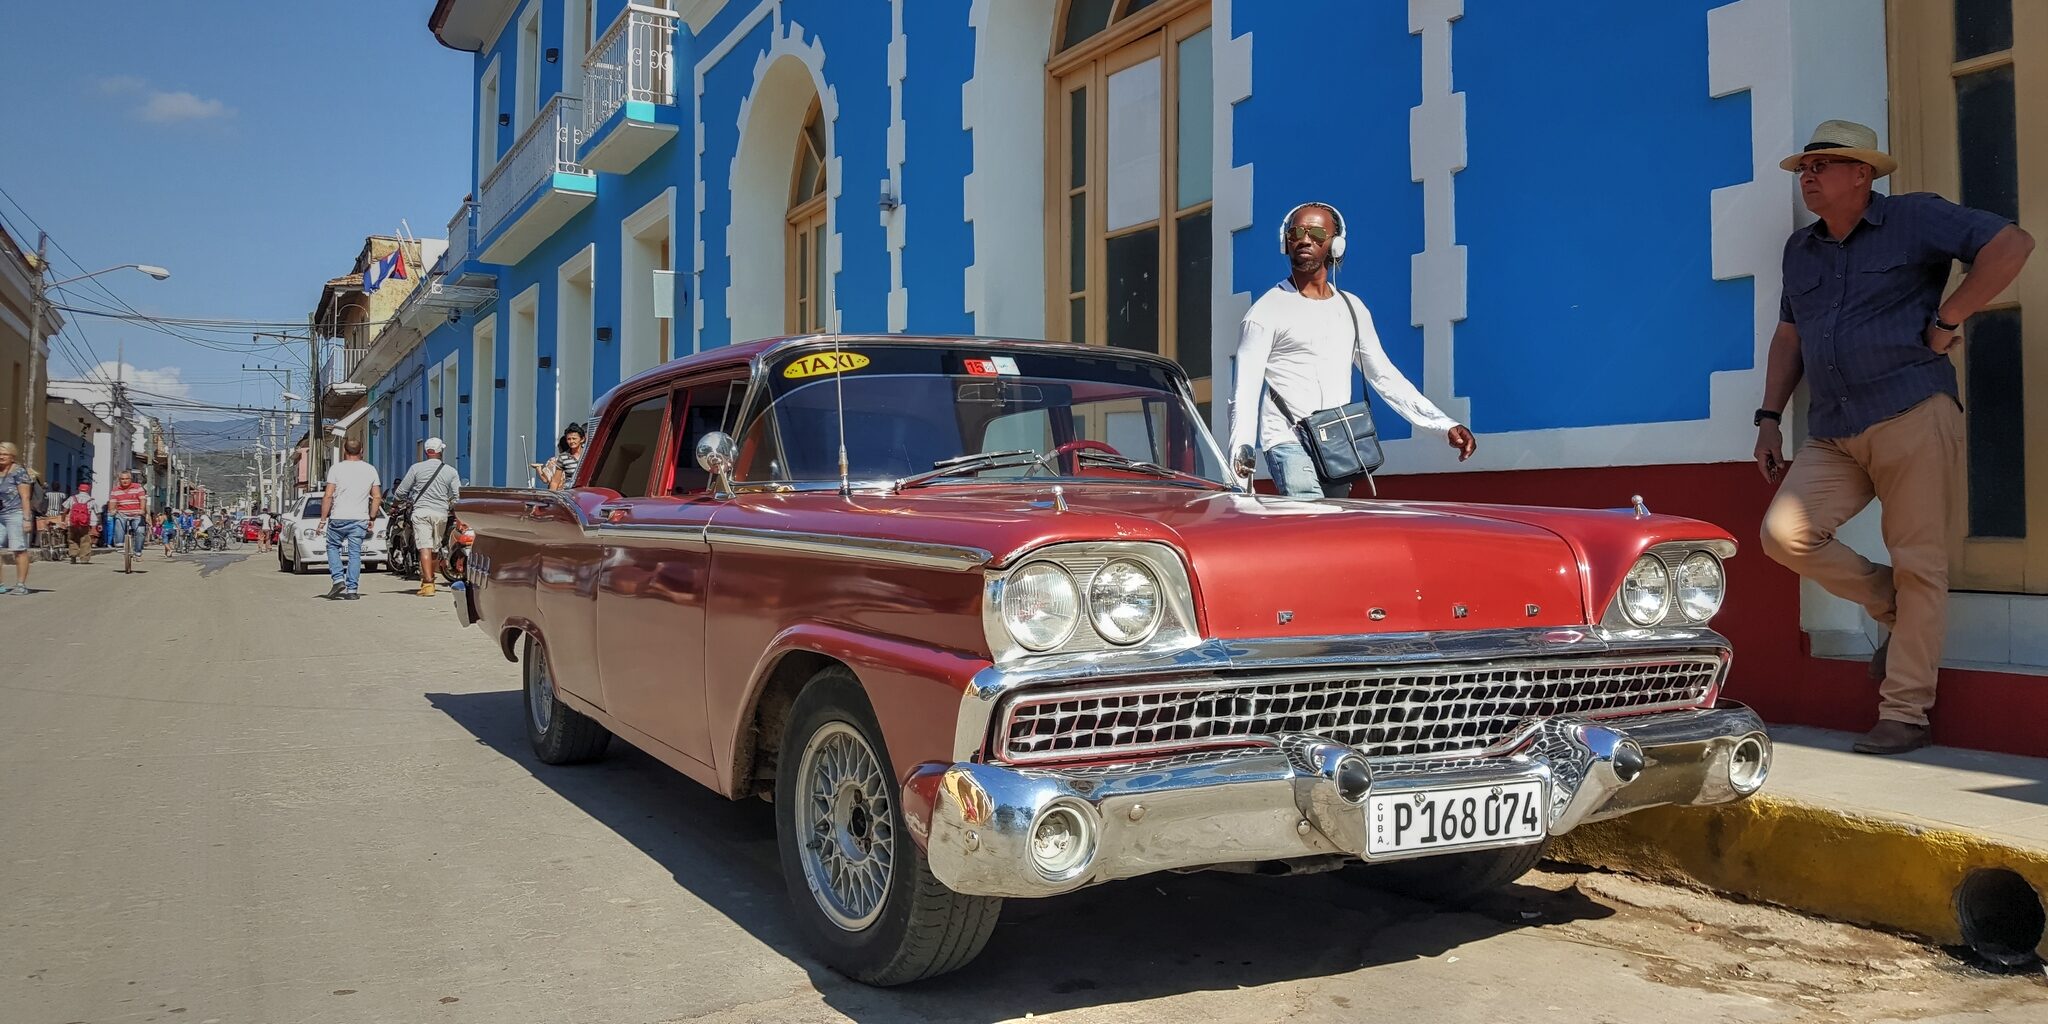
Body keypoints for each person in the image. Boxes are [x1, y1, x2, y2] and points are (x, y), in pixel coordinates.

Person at [1756, 120, 2035, 756]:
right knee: (1784, 536)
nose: (1808, 177)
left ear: (1863, 173)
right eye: (1805, 168)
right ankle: (1897, 609)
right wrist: (1768, 416)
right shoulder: (1801, 249)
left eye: (1823, 165)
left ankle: (1906, 714)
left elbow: (2012, 244)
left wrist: (1950, 316)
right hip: (1834, 429)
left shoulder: (1914, 218)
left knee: (1919, 562)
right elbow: (1789, 336)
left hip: (1910, 410)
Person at [1228, 202, 1477, 498]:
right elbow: (1244, 394)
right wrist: (1240, 472)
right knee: (1311, 520)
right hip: (1287, 441)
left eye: (1316, 233)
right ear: (1285, 241)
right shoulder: (1265, 312)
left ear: (1336, 245)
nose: (1304, 240)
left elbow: (1384, 377)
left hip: (1336, 442)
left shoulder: (1351, 308)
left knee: (1334, 524)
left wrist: (1443, 425)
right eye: (1296, 233)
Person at [394, 437, 462, 597]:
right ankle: (429, 579)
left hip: (421, 512)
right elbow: (457, 496)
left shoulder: (416, 469)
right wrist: (452, 507)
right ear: (440, 451)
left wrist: (396, 503)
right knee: (435, 548)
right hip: (440, 513)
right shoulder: (451, 471)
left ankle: (428, 583)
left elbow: (401, 491)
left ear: (426, 452)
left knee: (424, 546)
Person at [318, 436, 382, 600]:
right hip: (359, 518)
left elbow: (328, 495)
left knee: (333, 547)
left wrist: (323, 519)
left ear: (344, 451)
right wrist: (372, 517)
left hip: (338, 517)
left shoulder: (336, 469)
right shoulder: (370, 470)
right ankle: (352, 590)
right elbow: (376, 496)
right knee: (355, 554)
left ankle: (338, 579)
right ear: (362, 451)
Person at [0, 442, 31, 594]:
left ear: (12, 456)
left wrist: (26, 519)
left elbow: (25, 497)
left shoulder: (19, 472)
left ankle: (20, 585)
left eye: (4, 454)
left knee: (18, 549)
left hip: (15, 513)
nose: (1, 457)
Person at [106, 471, 149, 571]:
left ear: (131, 479)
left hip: (137, 514)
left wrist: (142, 510)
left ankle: (138, 553)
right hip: (122, 513)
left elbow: (142, 500)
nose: (124, 481)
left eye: (126, 479)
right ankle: (119, 544)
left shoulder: (138, 487)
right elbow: (112, 503)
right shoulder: (115, 490)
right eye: (122, 479)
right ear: (119, 480)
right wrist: (112, 510)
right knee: (118, 522)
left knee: (140, 531)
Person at [534, 423, 585, 490]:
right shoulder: (563, 457)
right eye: (569, 439)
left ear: (582, 439)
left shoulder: (588, 454)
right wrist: (552, 494)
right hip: (570, 492)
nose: (571, 441)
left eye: (574, 438)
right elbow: (555, 481)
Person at [62, 481, 100, 564]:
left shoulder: (72, 498)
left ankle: (73, 555)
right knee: (85, 540)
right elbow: (98, 512)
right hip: (85, 524)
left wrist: (63, 520)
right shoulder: (91, 500)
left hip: (72, 523)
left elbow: (64, 510)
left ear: (79, 489)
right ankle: (84, 559)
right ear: (88, 490)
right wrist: (99, 523)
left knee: (72, 539)